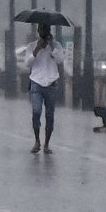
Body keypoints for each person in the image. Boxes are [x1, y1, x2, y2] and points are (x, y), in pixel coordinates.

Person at [26, 25, 66, 154]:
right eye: (42, 31)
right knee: (36, 111)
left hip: (51, 83)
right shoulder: (32, 46)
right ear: (38, 32)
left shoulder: (56, 45)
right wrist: (37, 49)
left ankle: (47, 144)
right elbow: (28, 63)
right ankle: (37, 141)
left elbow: (60, 60)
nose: (44, 34)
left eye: (47, 31)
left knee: (49, 114)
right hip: (36, 82)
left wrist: (52, 47)